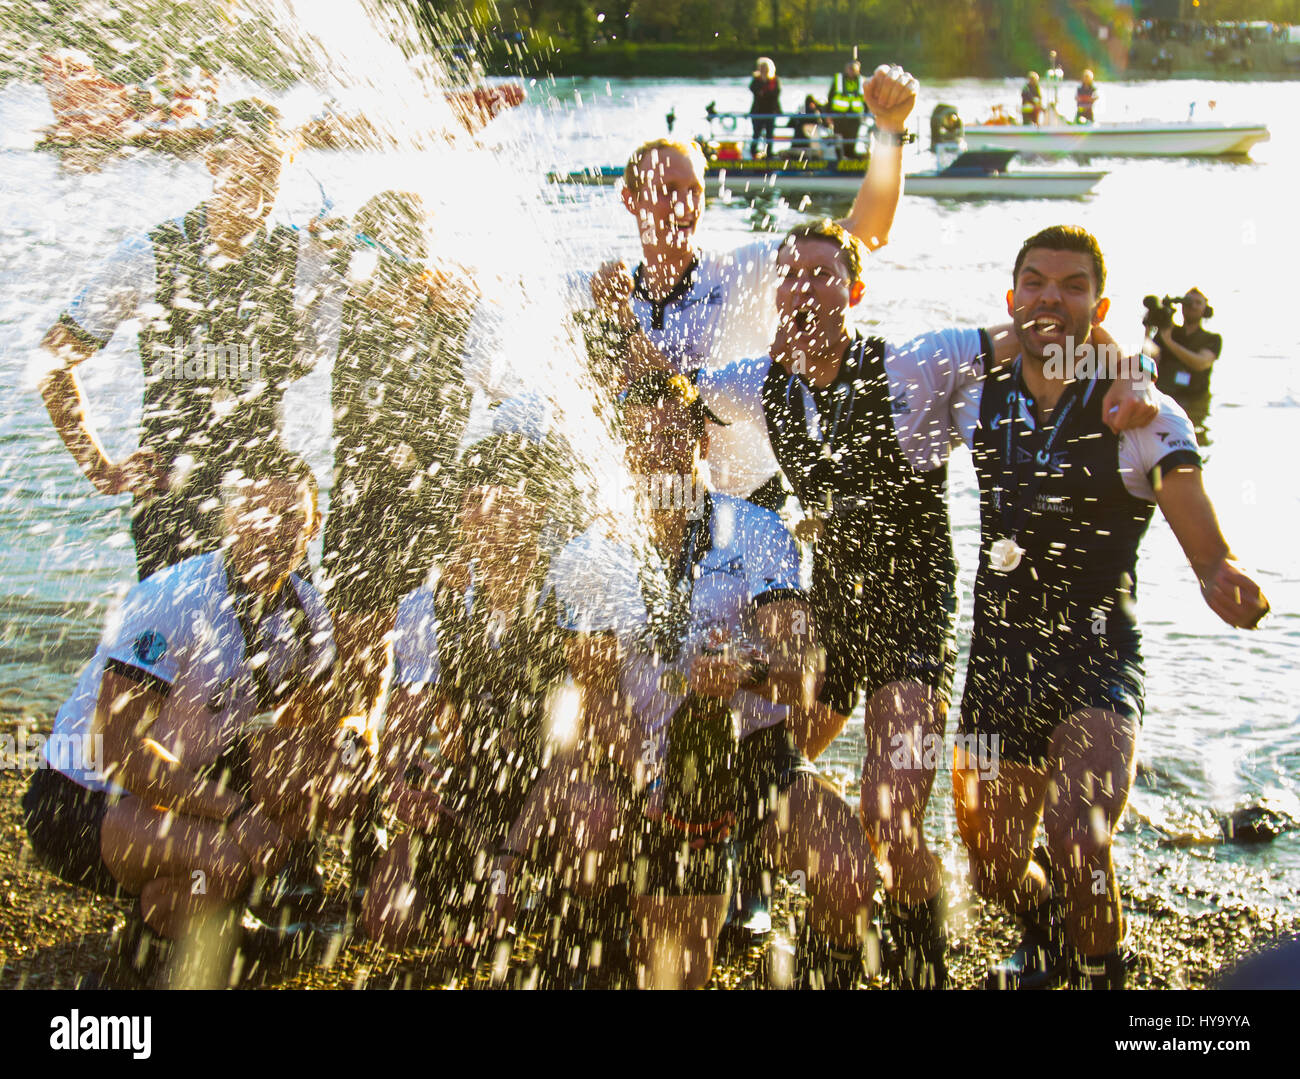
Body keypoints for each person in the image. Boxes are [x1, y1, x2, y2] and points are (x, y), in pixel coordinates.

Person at [693, 219, 1157, 988]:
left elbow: (1043, 327)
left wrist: (1132, 370)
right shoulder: (753, 379)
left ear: (858, 289)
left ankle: (921, 953)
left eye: (825, 274)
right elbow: (679, 399)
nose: (806, 288)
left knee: (891, 815)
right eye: (792, 275)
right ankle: (811, 912)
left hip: (912, 627)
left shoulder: (917, 364)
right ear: (774, 292)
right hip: (833, 622)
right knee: (753, 760)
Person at [952, 226, 1268, 990]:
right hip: (999, 658)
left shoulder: (1141, 412)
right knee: (993, 866)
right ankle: (1049, 935)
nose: (1050, 297)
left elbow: (1194, 518)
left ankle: (1100, 970)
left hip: (1097, 653)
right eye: (1034, 281)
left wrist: (1217, 569)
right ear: (1012, 298)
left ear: (1100, 304)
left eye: (1071, 285)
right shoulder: (974, 394)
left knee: (1078, 835)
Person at [492, 373, 870, 989]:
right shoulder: (591, 555)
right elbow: (596, 698)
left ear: (704, 446)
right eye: (642, 443)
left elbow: (804, 677)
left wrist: (745, 672)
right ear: (619, 451)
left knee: (848, 869)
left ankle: (817, 969)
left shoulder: (756, 531)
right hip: (651, 769)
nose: (658, 457)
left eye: (673, 440)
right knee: (676, 972)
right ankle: (610, 925)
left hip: (751, 758)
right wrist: (651, 788)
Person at [21, 451, 360, 986]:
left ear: (313, 526)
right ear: (229, 517)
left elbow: (315, 728)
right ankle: (161, 936)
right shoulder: (175, 600)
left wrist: (351, 765)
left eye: (290, 518)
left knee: (327, 774)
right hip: (78, 796)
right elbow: (120, 757)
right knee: (226, 859)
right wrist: (234, 813)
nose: (272, 531)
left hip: (170, 785)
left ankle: (174, 915)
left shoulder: (305, 609)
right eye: (257, 513)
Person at [583, 63, 918, 509]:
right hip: (656, 509)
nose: (684, 205)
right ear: (631, 199)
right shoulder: (606, 290)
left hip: (751, 510)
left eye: (695, 191)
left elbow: (866, 231)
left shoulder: (747, 268)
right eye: (667, 189)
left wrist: (891, 129)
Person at [37, 98, 340, 581]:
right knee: (172, 648)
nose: (256, 192)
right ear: (213, 162)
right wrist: (100, 469)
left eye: (269, 174)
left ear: (286, 170)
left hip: (264, 504)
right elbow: (52, 362)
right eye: (243, 172)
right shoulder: (150, 254)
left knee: (273, 647)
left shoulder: (307, 258)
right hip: (170, 497)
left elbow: (369, 333)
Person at [358, 416, 577, 955]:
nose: (497, 520)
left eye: (513, 504)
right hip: (469, 783)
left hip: (547, 789)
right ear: (463, 517)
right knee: (387, 922)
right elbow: (408, 717)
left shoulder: (567, 599)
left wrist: (513, 852)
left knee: (583, 821)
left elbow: (574, 750)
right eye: (481, 504)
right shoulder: (428, 604)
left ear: (539, 512)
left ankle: (561, 901)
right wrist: (401, 785)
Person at [321, 190, 477, 725]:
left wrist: (483, 284)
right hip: (359, 509)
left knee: (432, 685)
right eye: (382, 256)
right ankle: (361, 763)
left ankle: (418, 773)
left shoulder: (461, 316)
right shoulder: (338, 306)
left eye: (410, 256)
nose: (395, 278)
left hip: (433, 512)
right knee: (359, 675)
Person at [1153, 287, 1221, 442]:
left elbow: (1200, 363)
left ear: (1206, 309)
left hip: (1194, 401)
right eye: (1189, 302)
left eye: (1198, 303)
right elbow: (1148, 362)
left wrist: (1169, 342)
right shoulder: (1168, 331)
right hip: (1166, 399)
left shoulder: (1212, 338)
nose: (1193, 306)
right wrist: (1150, 328)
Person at [826, 59, 868, 160]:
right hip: (839, 116)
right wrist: (828, 115)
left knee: (851, 140)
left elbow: (866, 100)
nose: (851, 71)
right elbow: (830, 97)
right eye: (849, 69)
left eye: (854, 69)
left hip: (855, 117)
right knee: (839, 140)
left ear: (858, 70)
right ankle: (839, 159)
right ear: (846, 69)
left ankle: (850, 159)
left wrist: (866, 114)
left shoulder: (863, 81)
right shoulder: (838, 79)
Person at [748, 57, 782, 160]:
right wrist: (762, 91)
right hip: (758, 111)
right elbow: (754, 90)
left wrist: (765, 93)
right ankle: (753, 151)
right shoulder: (756, 80)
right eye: (762, 68)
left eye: (765, 68)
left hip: (770, 111)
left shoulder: (774, 80)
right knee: (756, 132)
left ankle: (769, 153)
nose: (763, 70)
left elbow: (776, 93)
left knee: (769, 134)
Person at [784, 95, 827, 162]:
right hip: (808, 148)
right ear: (812, 103)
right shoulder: (813, 112)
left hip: (795, 146)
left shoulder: (801, 110)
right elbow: (822, 123)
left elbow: (789, 124)